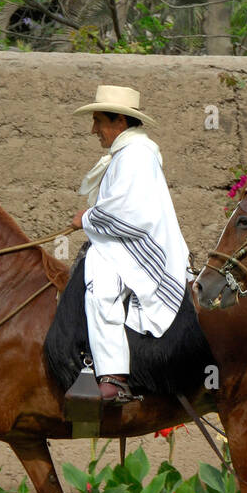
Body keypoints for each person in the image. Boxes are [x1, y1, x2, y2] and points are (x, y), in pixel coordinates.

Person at [69, 85, 189, 403]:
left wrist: (87, 219)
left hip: (143, 246)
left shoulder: (135, 155)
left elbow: (128, 213)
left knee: (99, 282)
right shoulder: (129, 153)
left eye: (98, 121)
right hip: (128, 239)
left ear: (119, 122)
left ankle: (114, 374)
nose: (94, 129)